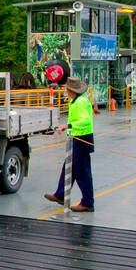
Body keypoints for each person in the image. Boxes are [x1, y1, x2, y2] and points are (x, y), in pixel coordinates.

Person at [45, 76, 95, 212]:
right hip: (76, 138)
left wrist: (68, 126)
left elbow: (85, 121)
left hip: (82, 139)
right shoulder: (76, 101)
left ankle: (88, 202)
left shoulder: (80, 103)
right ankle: (60, 194)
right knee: (68, 167)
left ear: (71, 90)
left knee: (82, 172)